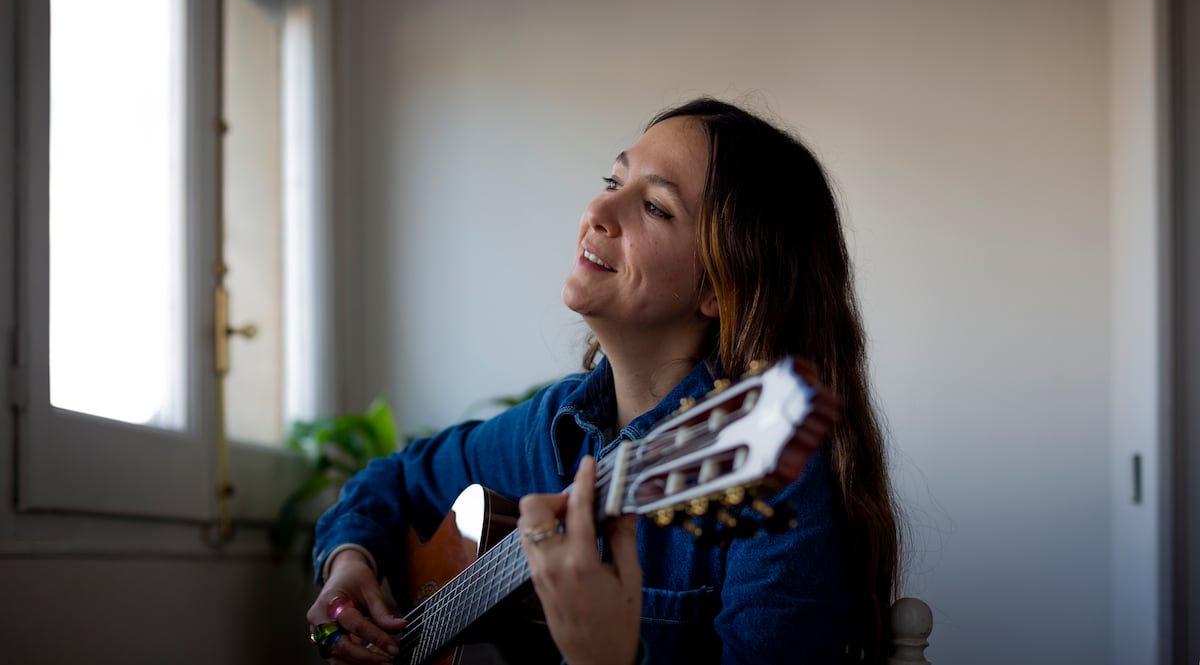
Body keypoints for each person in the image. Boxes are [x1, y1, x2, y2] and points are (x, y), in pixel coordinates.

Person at [305, 97, 901, 664]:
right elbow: (394, 479)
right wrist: (348, 564)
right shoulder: (551, 428)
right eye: (614, 183)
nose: (598, 211)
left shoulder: (773, 484)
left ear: (722, 288)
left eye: (656, 207)